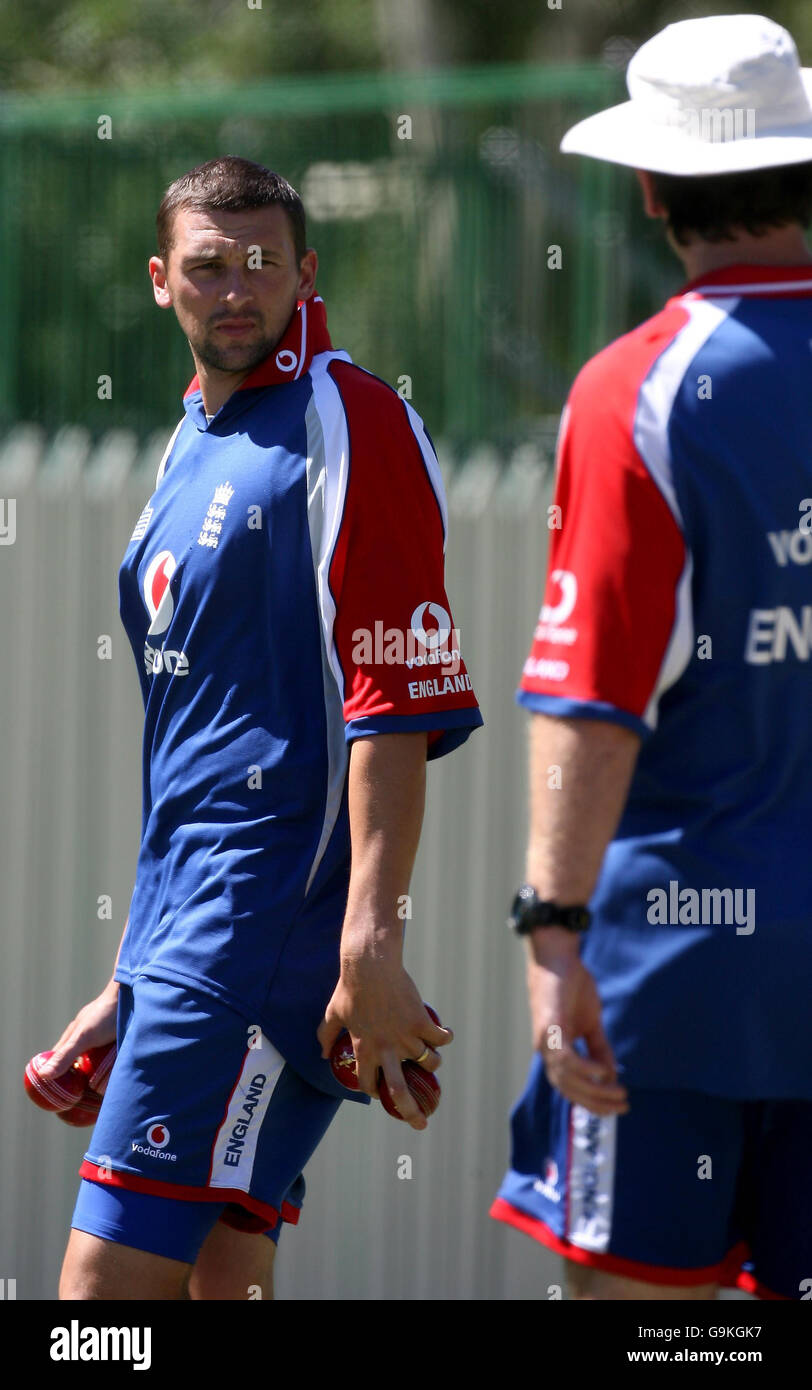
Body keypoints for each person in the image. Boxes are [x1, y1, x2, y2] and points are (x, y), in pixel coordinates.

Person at [42, 155, 482, 1300]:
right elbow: (193, 747)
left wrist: (369, 940)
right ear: (158, 281)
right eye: (205, 268)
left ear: (304, 272)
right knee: (224, 1272)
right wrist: (131, 974)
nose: (234, 290)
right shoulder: (194, 435)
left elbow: (394, 698)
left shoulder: (349, 416)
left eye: (260, 264)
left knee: (100, 1298)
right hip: (193, 938)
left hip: (258, 935)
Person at [491, 14, 812, 1301]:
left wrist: (551, 930)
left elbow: (590, 700)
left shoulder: (638, 387)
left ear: (645, 185)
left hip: (673, 980)